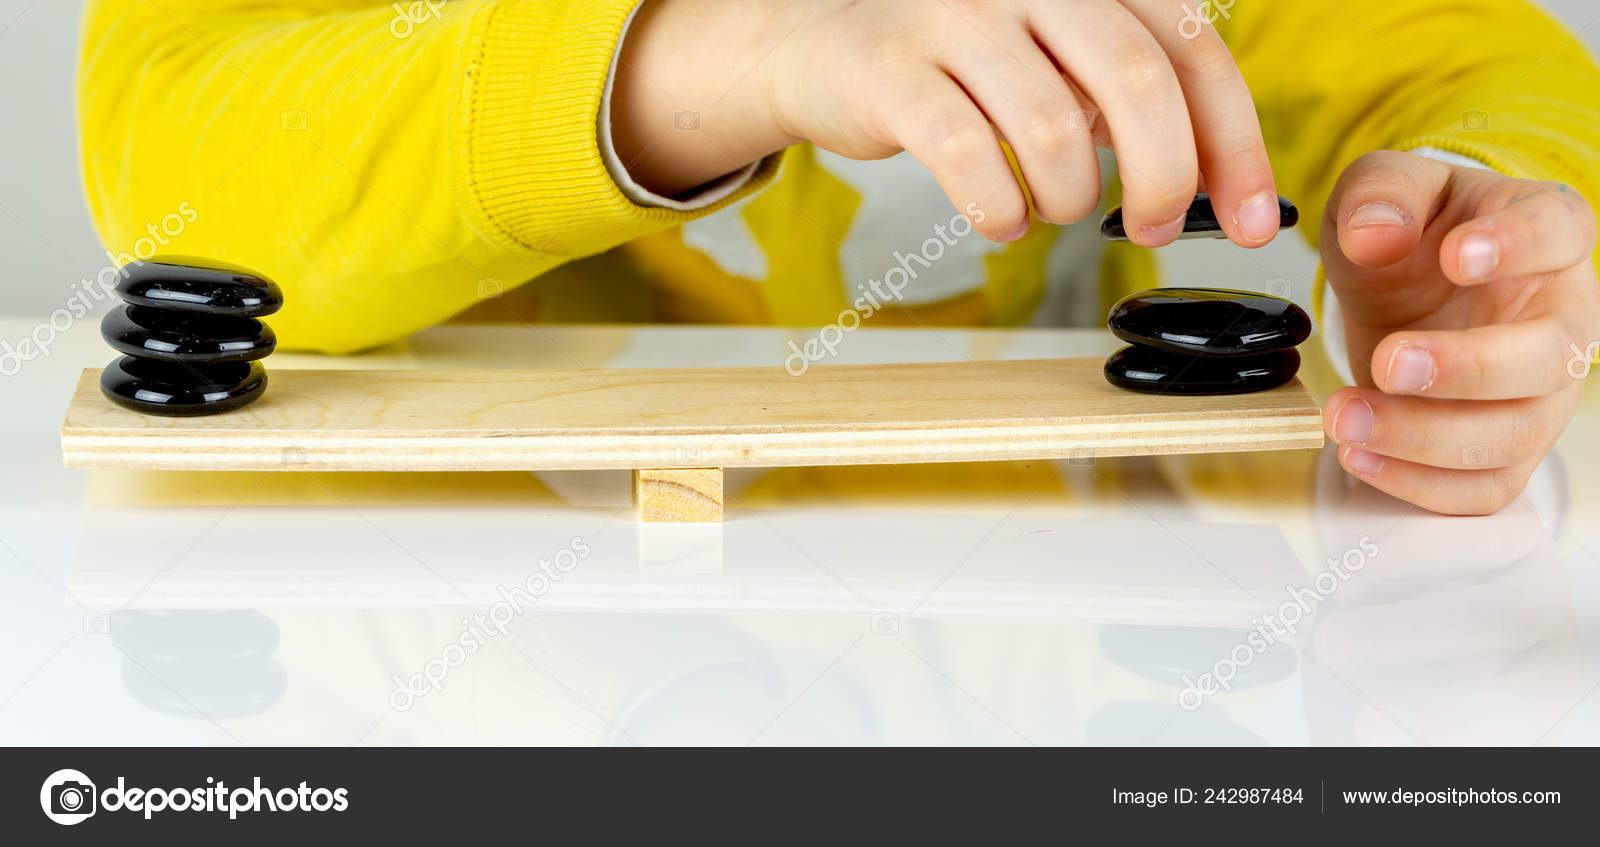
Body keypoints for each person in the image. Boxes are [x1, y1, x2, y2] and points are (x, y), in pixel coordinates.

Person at [77, 0, 1600, 515]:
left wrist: (1493, 216)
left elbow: (1470, 68)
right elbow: (173, 161)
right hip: (440, 652)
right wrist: (722, 56)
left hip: (1047, 651)